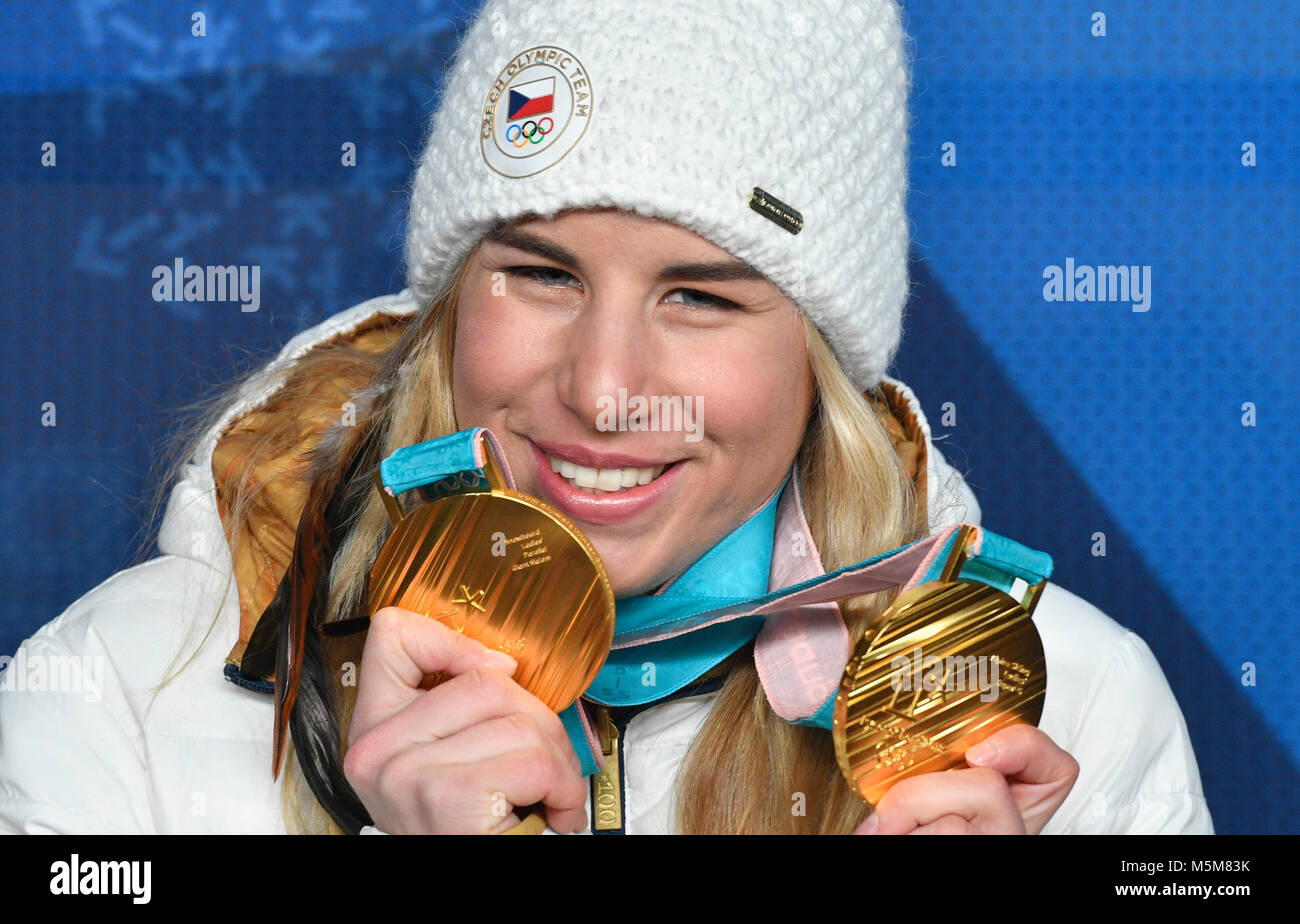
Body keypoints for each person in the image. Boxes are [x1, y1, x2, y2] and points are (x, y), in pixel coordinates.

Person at [0, 0, 1212, 835]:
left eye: (699, 295)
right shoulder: (118, 687)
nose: (602, 389)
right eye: (541, 274)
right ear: (452, 299)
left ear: (817, 361)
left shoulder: (1077, 710)